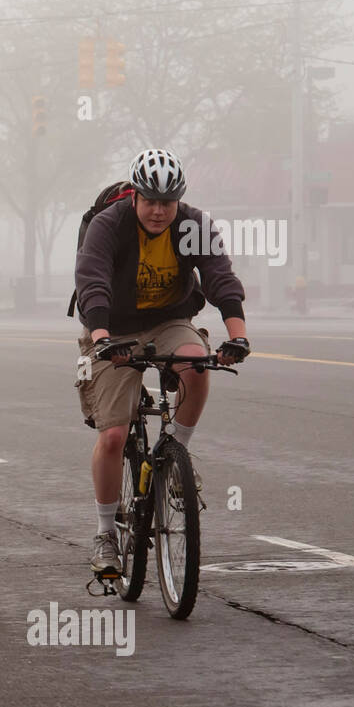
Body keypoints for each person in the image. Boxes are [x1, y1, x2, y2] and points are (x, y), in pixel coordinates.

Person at [73, 149, 251, 577]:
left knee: (197, 362)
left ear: (179, 201)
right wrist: (101, 339)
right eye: (150, 201)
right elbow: (92, 280)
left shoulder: (193, 225)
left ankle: (175, 460)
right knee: (114, 435)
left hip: (170, 319)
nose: (158, 211)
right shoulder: (109, 226)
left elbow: (219, 276)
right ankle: (105, 535)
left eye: (167, 203)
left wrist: (238, 334)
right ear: (135, 196)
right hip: (112, 328)